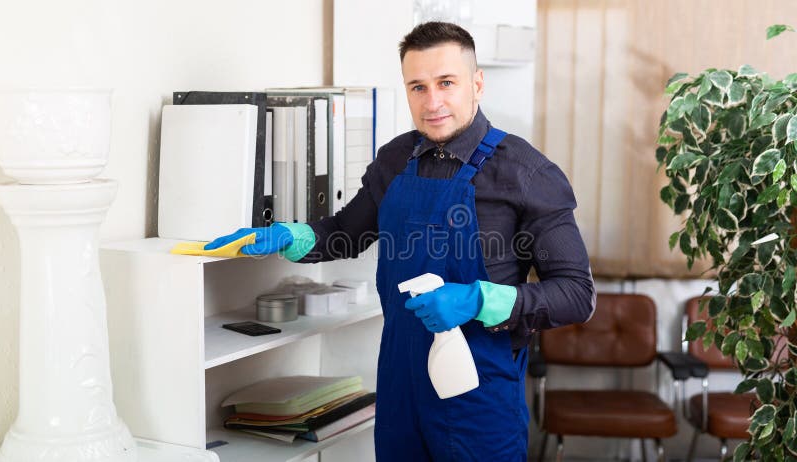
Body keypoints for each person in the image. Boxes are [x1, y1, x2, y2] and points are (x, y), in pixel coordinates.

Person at [206, 21, 595, 462]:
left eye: (446, 83)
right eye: (417, 87)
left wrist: (477, 299)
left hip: (478, 395)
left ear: (476, 83)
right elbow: (343, 235)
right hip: (399, 386)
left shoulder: (526, 174)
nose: (432, 102)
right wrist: (287, 234)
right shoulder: (394, 159)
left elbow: (576, 294)